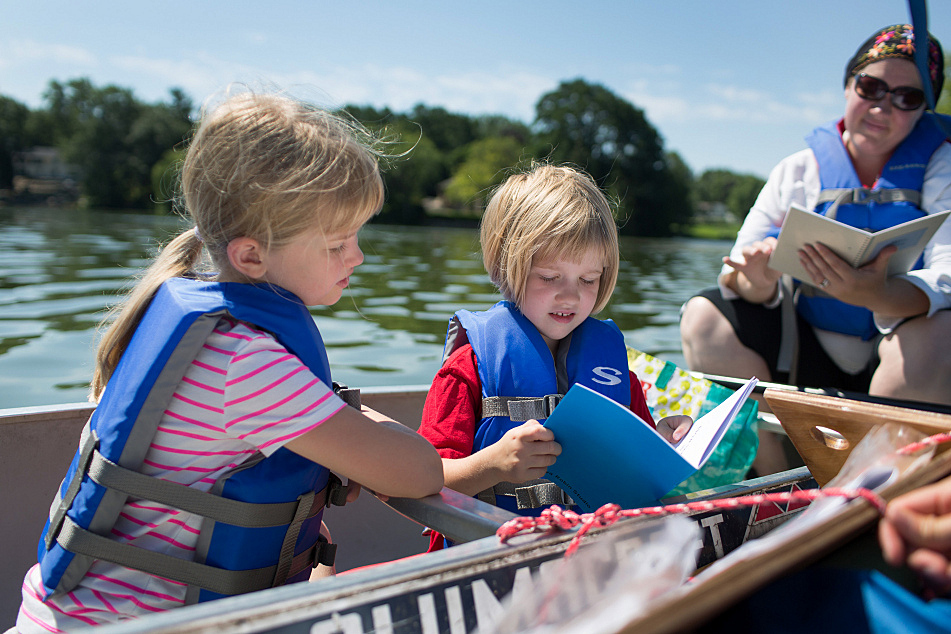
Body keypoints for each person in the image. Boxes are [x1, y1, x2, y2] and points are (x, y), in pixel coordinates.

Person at [13, 90, 443, 632]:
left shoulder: (192, 322)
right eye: (338, 244)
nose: (357, 256)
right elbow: (420, 473)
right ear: (251, 256)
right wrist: (348, 421)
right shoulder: (247, 364)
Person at [417, 164, 692, 550]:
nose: (571, 297)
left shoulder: (615, 374)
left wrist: (663, 442)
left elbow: (636, 468)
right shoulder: (467, 370)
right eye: (549, 277)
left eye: (589, 280)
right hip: (491, 556)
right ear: (503, 266)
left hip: (593, 552)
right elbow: (423, 477)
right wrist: (492, 465)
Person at [679, 24, 951, 412]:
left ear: (924, 110)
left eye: (907, 97)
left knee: (944, 332)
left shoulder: (944, 170)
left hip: (902, 355)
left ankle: (884, 466)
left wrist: (877, 294)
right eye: (870, 87)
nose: (881, 107)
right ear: (848, 85)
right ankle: (775, 468)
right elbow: (737, 272)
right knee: (702, 316)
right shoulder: (796, 171)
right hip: (801, 353)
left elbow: (948, 276)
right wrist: (756, 280)